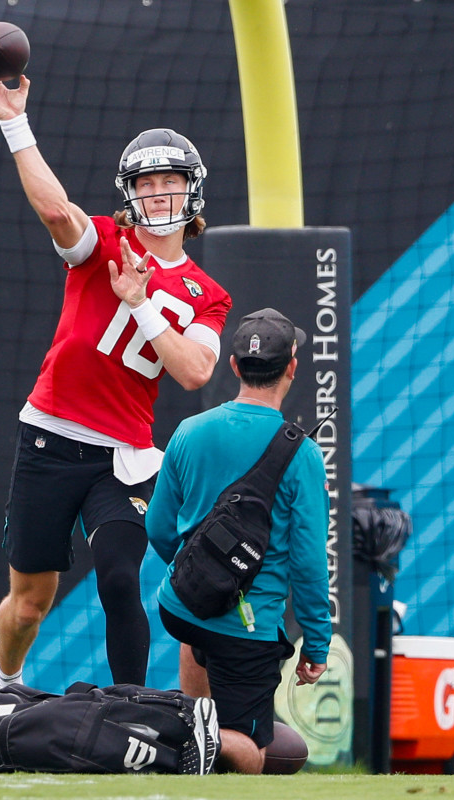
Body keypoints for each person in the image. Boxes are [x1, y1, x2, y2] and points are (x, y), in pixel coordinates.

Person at [0, 70, 232, 691]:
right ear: (129, 192)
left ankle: (130, 709)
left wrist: (141, 303)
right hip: (51, 436)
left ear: (192, 193)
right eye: (147, 182)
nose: (159, 193)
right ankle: (4, 684)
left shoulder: (208, 294)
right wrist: (14, 119)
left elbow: (196, 371)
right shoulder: (104, 243)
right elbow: (53, 209)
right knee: (30, 602)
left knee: (120, 579)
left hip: (124, 455)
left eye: (171, 181)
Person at [147, 308, 331, 774]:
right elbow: (310, 563)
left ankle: (193, 723)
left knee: (201, 636)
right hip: (245, 629)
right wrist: (317, 646)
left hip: (181, 609)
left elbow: (158, 529)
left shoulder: (189, 432)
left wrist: (200, 573)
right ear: (292, 365)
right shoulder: (303, 455)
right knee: (256, 752)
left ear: (233, 366)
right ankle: (189, 739)